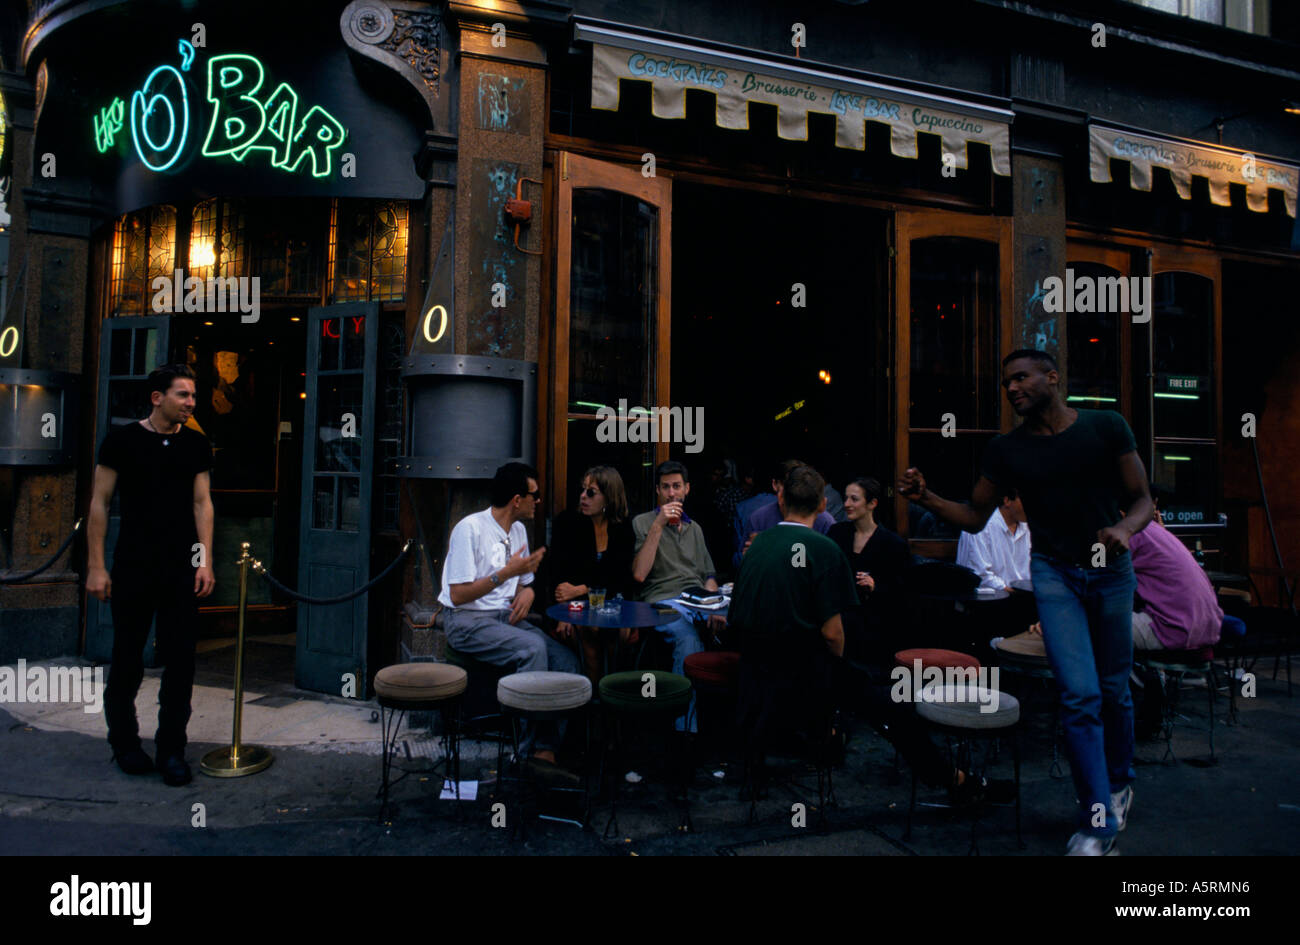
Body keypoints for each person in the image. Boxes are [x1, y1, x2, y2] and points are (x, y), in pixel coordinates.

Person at [899, 349, 1153, 856]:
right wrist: (925, 497)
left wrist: (1125, 528)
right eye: (1006, 383)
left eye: (1021, 378)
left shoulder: (1106, 426)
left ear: (1052, 377)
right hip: (1053, 572)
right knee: (1079, 695)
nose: (1012, 388)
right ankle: (1097, 820)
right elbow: (973, 516)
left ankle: (1120, 782)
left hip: (1110, 573)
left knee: (1113, 689)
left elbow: (1143, 499)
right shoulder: (1006, 449)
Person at [730, 464, 1007, 805]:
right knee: (893, 708)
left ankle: (814, 745)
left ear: (782, 497)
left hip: (760, 666)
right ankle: (954, 780)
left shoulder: (757, 544)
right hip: (808, 668)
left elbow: (741, 610)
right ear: (821, 505)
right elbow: (833, 635)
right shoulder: (823, 548)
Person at [88, 364, 216, 786]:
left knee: (181, 663)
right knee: (127, 659)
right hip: (133, 567)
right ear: (157, 397)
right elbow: (100, 504)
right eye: (183, 395)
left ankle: (171, 750)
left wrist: (204, 561)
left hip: (180, 569)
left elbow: (202, 505)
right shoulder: (121, 441)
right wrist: (96, 567)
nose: (191, 403)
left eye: (193, 396)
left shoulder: (196, 444)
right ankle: (124, 743)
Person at [438, 462, 579, 776]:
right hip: (467, 620)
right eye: (535, 495)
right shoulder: (470, 529)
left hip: (505, 619)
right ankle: (525, 754)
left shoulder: (517, 530)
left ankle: (547, 749)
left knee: (567, 660)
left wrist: (527, 591)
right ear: (517, 499)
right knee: (533, 649)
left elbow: (526, 583)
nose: (538, 501)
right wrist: (505, 575)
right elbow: (458, 595)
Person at [632, 460, 726, 732]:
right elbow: (639, 574)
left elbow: (708, 576)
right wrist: (659, 525)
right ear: (658, 492)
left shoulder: (695, 528)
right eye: (665, 488)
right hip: (661, 602)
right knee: (687, 638)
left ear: (686, 489)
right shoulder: (643, 523)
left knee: (746, 624)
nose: (671, 494)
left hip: (696, 600)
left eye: (676, 487)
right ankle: (685, 729)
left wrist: (713, 605)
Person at [550, 465, 636, 682]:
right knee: (588, 630)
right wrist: (563, 613)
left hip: (612, 601)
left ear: (609, 498)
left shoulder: (622, 528)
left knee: (615, 633)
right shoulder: (568, 524)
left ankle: (613, 696)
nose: (583, 497)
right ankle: (594, 700)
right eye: (582, 490)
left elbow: (620, 577)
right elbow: (557, 573)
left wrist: (582, 588)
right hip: (576, 606)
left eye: (591, 492)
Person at [827, 477, 911, 662]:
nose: (847, 504)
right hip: (842, 623)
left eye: (854, 499)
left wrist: (876, 586)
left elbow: (903, 591)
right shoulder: (837, 533)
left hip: (874, 627)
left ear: (872, 503)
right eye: (846, 498)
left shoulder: (892, 543)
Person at [1127, 498, 1223, 651]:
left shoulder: (1130, 533)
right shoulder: (1156, 531)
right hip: (1207, 628)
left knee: (1092, 624)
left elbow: (1101, 577)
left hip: (1174, 630)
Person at [737, 458, 836, 564]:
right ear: (775, 485)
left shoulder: (825, 521)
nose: (793, 491)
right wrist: (749, 555)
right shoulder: (759, 519)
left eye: (800, 485)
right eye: (788, 485)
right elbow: (739, 561)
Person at [956, 490, 1032, 590]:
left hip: (1021, 597)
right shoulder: (981, 526)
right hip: (985, 600)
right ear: (1007, 500)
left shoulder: (1027, 527)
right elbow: (979, 576)